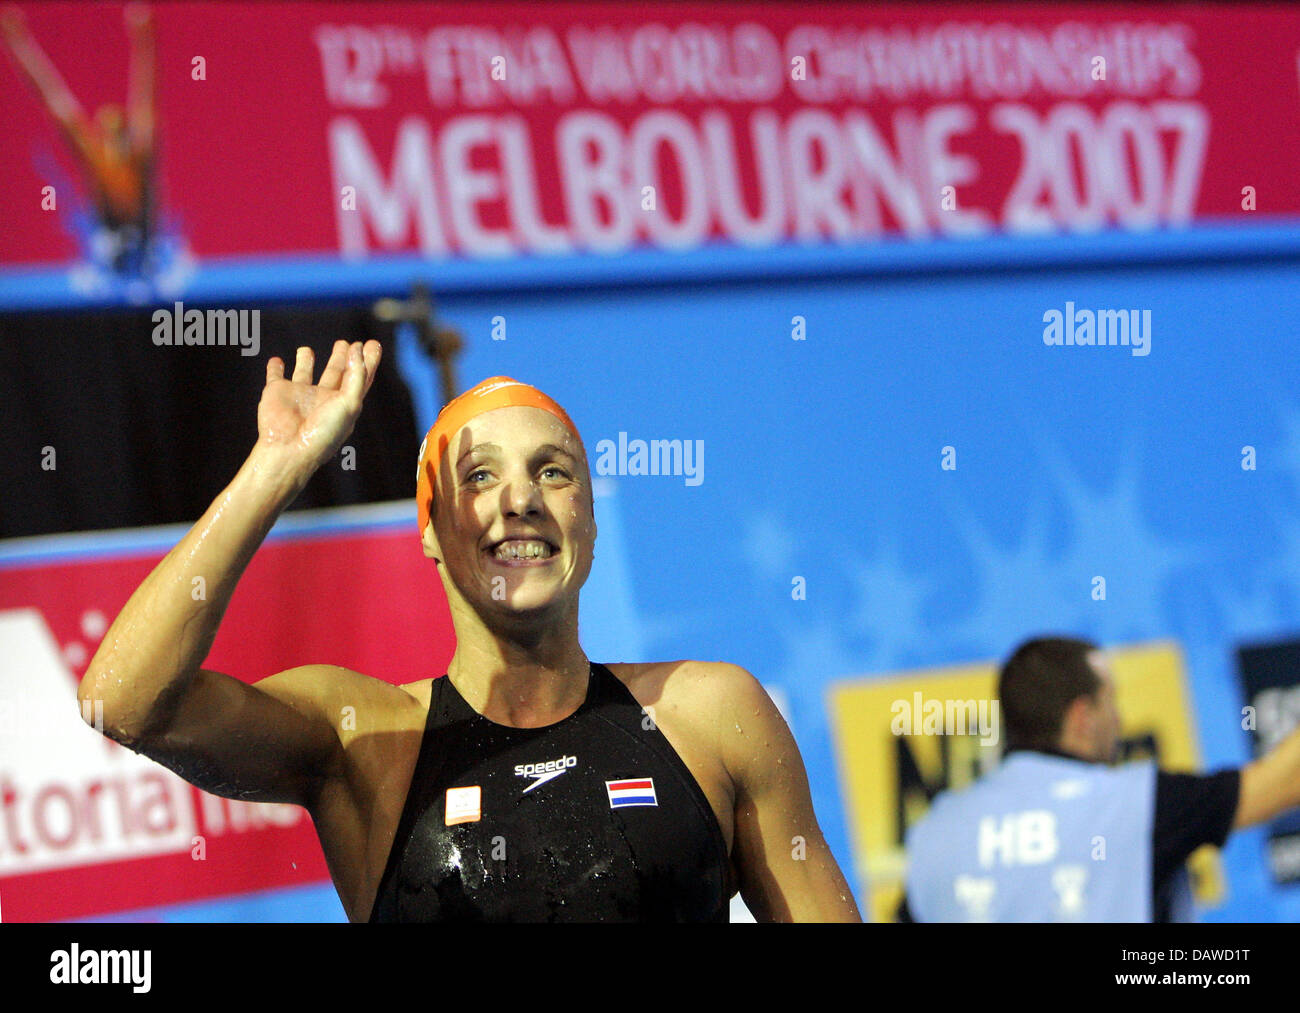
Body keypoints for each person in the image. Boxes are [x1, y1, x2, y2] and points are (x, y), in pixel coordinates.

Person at [79, 340, 861, 923]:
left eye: (552, 472)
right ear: (429, 529)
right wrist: (274, 468)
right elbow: (124, 701)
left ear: (587, 522)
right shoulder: (366, 740)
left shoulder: (710, 714)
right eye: (479, 476)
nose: (519, 498)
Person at [901, 635, 1300, 922]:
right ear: (1083, 718)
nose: (1120, 721)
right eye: (1111, 702)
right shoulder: (1133, 803)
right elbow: (1282, 782)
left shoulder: (935, 833)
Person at [1, 3, 156, 273]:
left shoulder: (139, 155)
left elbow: (145, 98)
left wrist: (145, 40)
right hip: (108, 256)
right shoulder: (98, 162)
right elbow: (53, 98)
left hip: (147, 252)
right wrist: (18, 41)